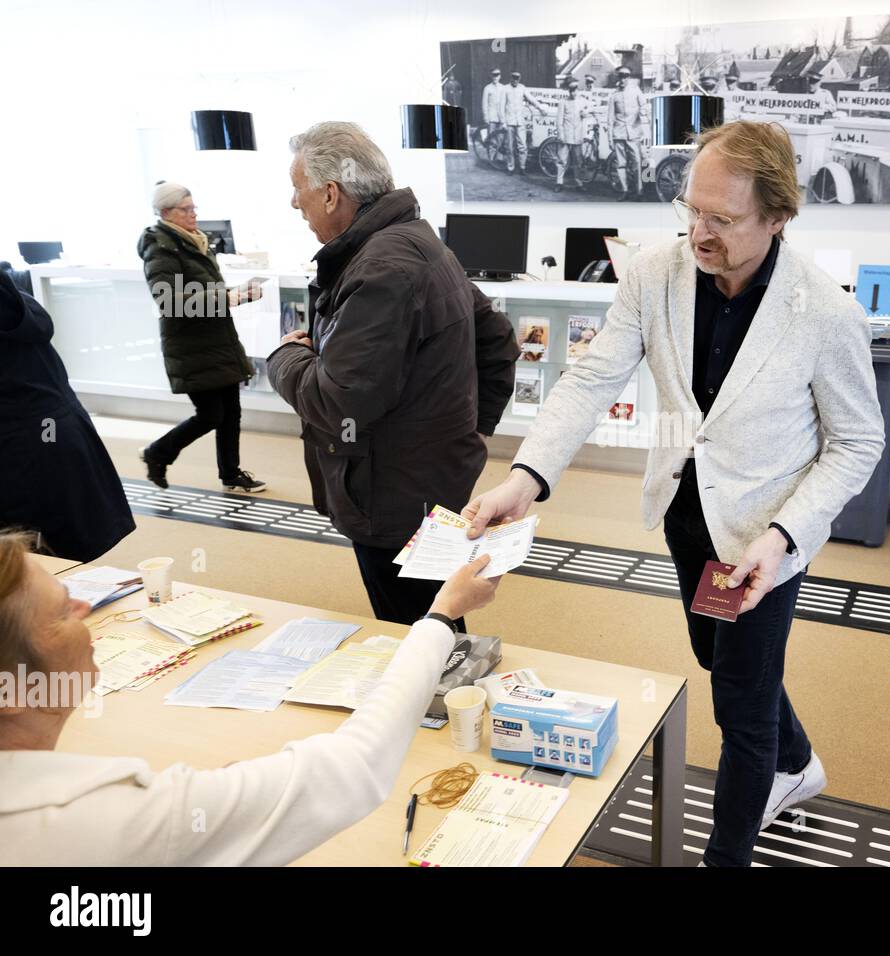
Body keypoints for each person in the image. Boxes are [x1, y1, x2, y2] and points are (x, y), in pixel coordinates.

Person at [463, 120, 885, 867]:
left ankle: (732, 845)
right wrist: (525, 477)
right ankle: (798, 761)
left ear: (778, 217)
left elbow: (858, 443)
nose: (699, 231)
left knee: (739, 707)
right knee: (716, 655)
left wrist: (784, 538)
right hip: (686, 514)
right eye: (691, 209)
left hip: (761, 537)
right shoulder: (655, 272)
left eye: (721, 219)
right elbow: (594, 377)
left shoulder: (824, 312)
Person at [0, 532, 500, 865]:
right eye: (63, 611)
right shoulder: (105, 819)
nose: (86, 606)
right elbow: (354, 766)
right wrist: (441, 615)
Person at [269, 122, 518, 626]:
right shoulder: (417, 244)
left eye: (299, 190)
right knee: (438, 614)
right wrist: (469, 433)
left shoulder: (380, 266)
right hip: (425, 477)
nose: (295, 203)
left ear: (331, 193)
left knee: (415, 627)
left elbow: (340, 399)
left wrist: (283, 358)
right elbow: (498, 343)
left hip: (389, 491)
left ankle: (432, 705)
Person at [137, 182, 266, 493]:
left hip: (217, 337)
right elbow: (168, 299)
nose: (194, 214)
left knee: (230, 413)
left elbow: (207, 291)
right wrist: (226, 298)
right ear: (166, 213)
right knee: (211, 414)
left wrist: (239, 296)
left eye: (194, 208)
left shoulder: (196, 242)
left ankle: (231, 473)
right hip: (190, 343)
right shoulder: (161, 246)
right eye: (186, 209)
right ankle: (158, 453)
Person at [0, 272, 135, 561]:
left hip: (21, 447)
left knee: (26, 564)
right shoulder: (15, 301)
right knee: (53, 557)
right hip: (57, 433)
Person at [608, 66, 648, 200]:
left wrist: (641, 114)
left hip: (634, 133)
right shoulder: (614, 95)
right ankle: (624, 190)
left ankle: (639, 190)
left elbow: (644, 105)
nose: (623, 79)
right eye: (621, 76)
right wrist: (609, 138)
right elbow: (610, 118)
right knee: (621, 163)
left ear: (629, 78)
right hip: (618, 133)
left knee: (637, 161)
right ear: (618, 78)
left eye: (626, 76)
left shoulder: (636, 91)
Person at [502, 71, 546, 174]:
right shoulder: (505, 89)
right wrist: (503, 122)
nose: (515, 80)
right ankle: (510, 168)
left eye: (517, 78)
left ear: (519, 79)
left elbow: (532, 99)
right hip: (509, 121)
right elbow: (501, 106)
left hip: (520, 121)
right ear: (511, 78)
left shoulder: (522, 88)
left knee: (522, 146)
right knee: (509, 146)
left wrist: (540, 108)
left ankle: (522, 167)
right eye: (513, 78)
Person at [554, 76, 587, 192]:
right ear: (568, 90)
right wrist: (561, 135)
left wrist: (585, 113)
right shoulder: (563, 102)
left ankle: (579, 183)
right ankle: (559, 182)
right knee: (562, 160)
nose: (573, 92)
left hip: (577, 136)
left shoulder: (582, 101)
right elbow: (559, 121)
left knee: (578, 161)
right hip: (566, 136)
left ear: (578, 90)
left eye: (575, 89)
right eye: (571, 90)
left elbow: (589, 111)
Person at [482, 67, 505, 139]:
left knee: (501, 138)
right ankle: (492, 150)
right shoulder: (487, 88)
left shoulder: (503, 88)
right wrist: (486, 117)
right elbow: (484, 103)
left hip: (502, 118)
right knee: (492, 139)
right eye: (493, 75)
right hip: (492, 118)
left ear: (500, 76)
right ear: (491, 76)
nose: (495, 77)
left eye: (497, 75)